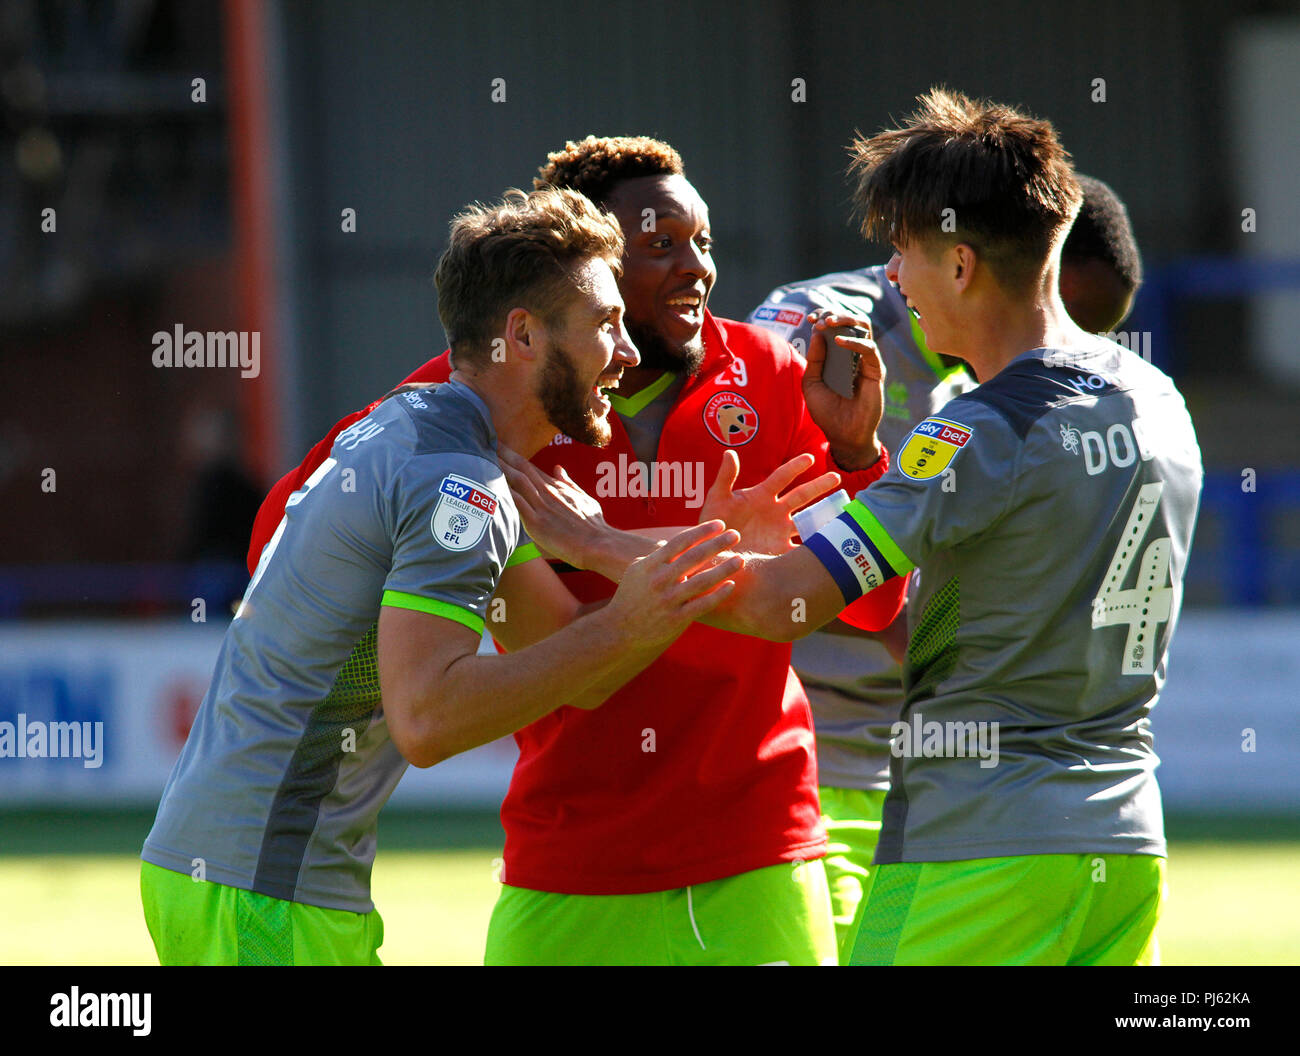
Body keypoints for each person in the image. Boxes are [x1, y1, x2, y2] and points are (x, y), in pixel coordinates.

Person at [512, 90, 1202, 966]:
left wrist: (593, 543)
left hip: (980, 844)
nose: (893, 281)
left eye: (903, 254)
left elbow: (780, 605)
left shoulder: (973, 432)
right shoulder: (1154, 397)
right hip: (1125, 839)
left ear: (958, 265)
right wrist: (859, 460)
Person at [244, 135, 905, 965]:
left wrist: (856, 458)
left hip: (757, 850)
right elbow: (284, 528)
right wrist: (468, 591)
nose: (696, 267)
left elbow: (876, 609)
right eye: (659, 244)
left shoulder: (770, 375)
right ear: (585, 270)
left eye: (701, 240)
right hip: (568, 856)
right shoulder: (482, 399)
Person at [139, 186, 744, 965]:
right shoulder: (458, 481)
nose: (626, 351)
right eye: (605, 322)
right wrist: (634, 619)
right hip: (267, 890)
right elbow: (426, 719)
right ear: (522, 335)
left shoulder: (430, 435)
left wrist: (692, 557)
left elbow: (564, 654)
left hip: (234, 874)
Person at [743, 173, 1145, 961]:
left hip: (955, 773)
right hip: (816, 755)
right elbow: (757, 534)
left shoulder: (1027, 398)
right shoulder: (817, 337)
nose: (1065, 355)